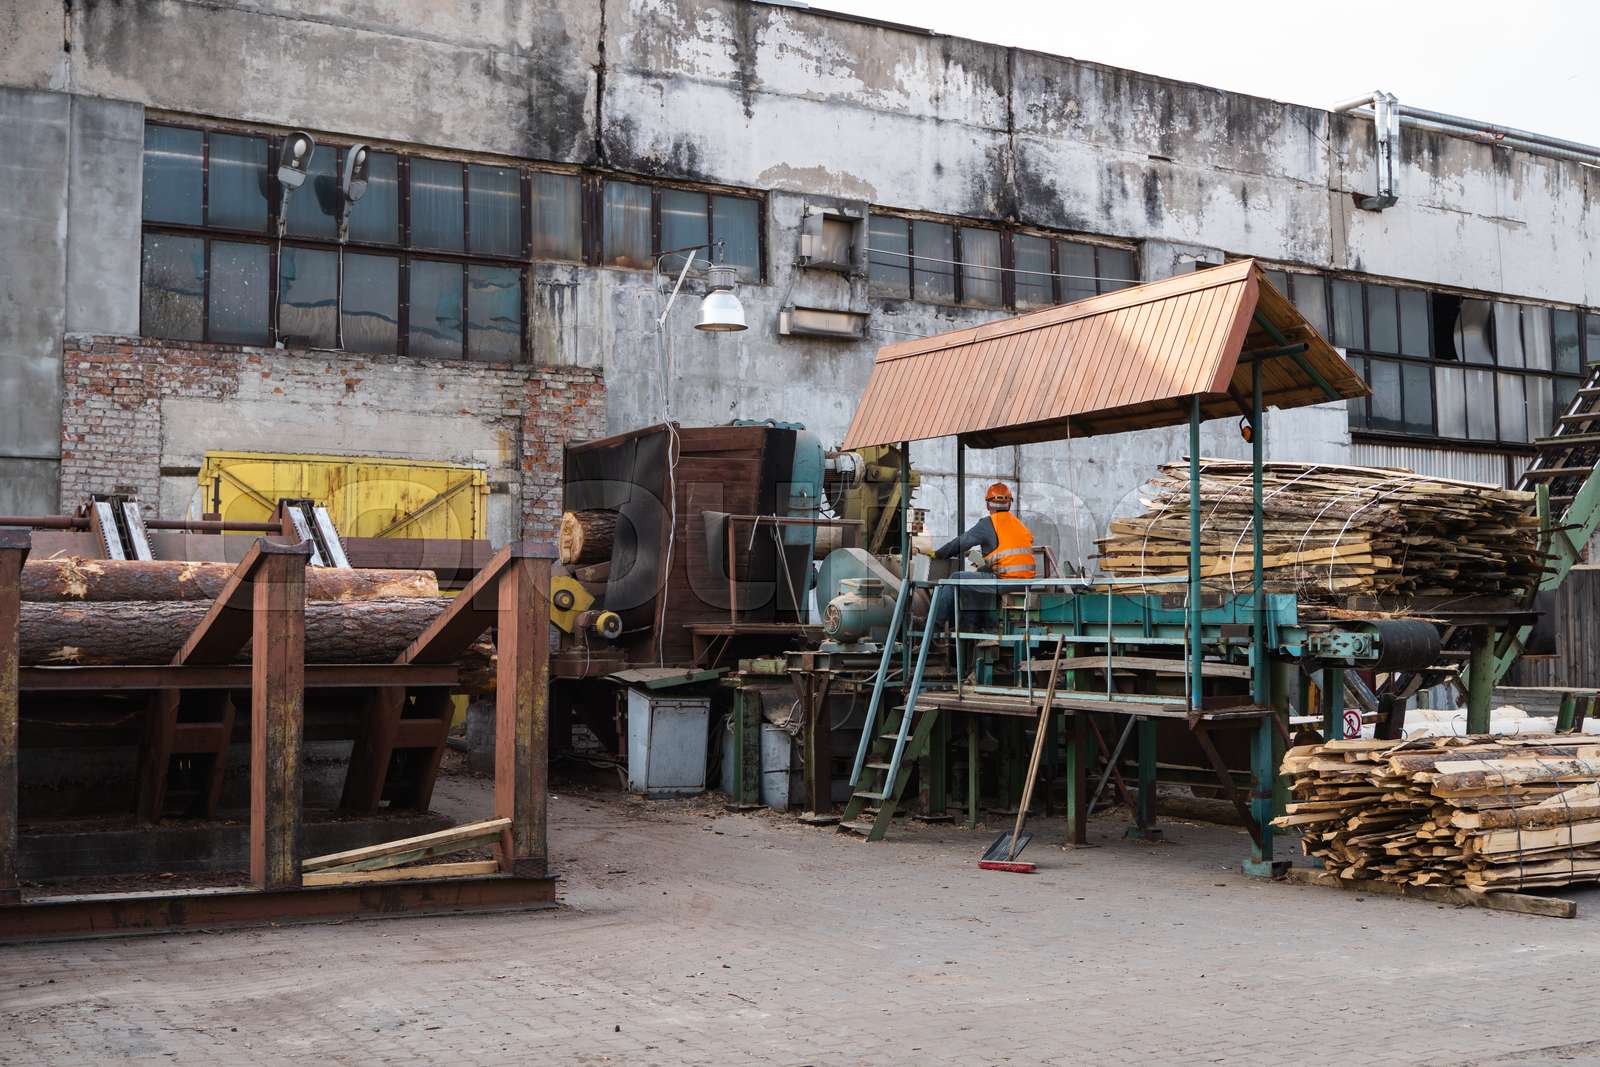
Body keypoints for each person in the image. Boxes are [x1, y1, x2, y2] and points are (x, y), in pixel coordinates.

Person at [921, 482, 1037, 579]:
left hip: (1006, 580)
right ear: (1009, 504)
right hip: (1027, 581)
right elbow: (1009, 551)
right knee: (982, 569)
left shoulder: (988, 523)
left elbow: (961, 543)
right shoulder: (1019, 524)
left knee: (957, 578)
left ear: (988, 505)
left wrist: (938, 554)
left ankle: (941, 607)